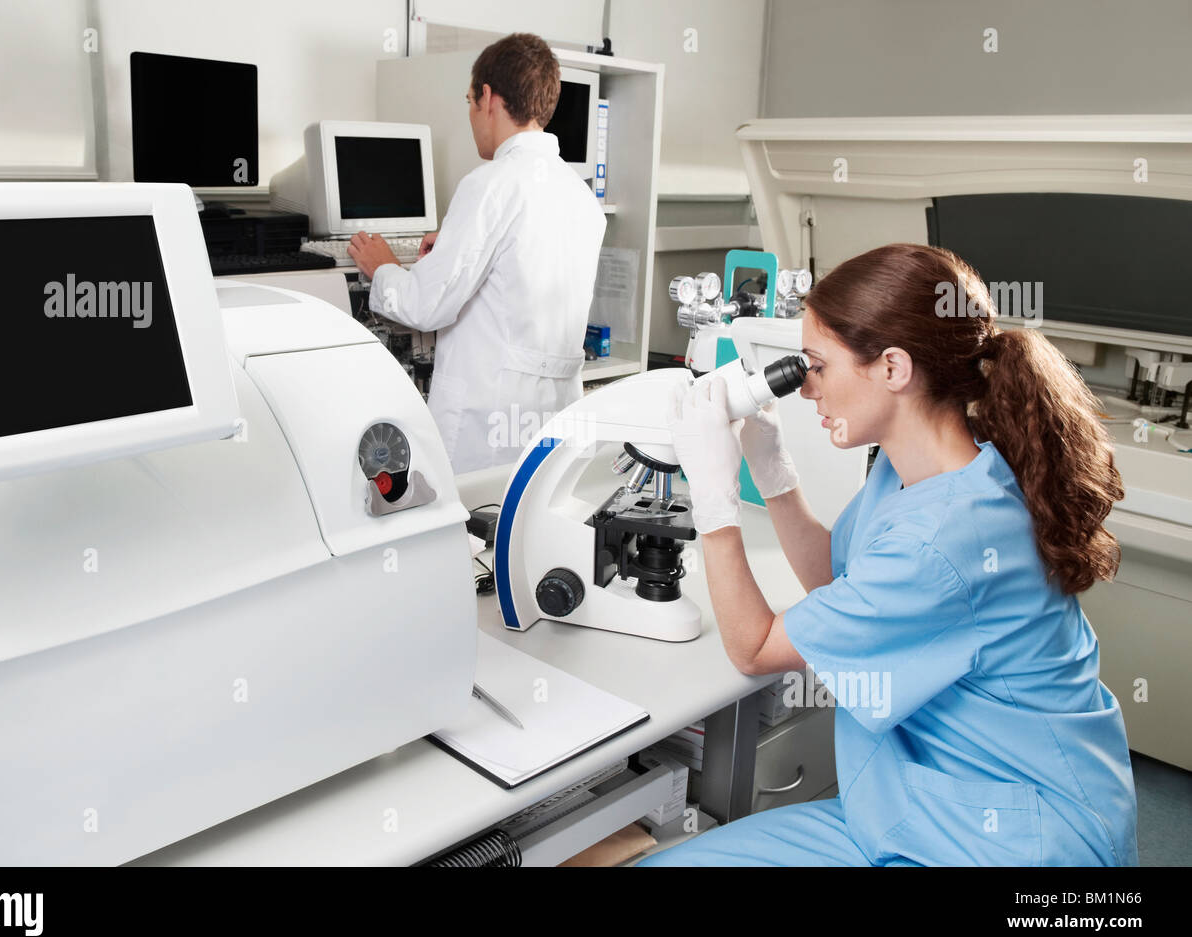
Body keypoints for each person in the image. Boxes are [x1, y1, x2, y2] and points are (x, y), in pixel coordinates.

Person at [642, 243, 1138, 866]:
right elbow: (841, 580)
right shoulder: (922, 467)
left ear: (894, 368)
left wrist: (714, 504)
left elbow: (755, 646)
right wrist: (774, 476)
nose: (806, 387)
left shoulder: (946, 535)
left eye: (817, 365)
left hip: (1017, 844)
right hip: (918, 805)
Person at [348, 33, 606, 473]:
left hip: (486, 424)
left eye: (470, 101)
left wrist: (384, 267)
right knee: (523, 534)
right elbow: (514, 278)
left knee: (470, 533)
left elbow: (426, 307)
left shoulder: (490, 184)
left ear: (488, 97)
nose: (471, 115)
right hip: (554, 419)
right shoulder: (580, 195)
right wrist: (450, 247)